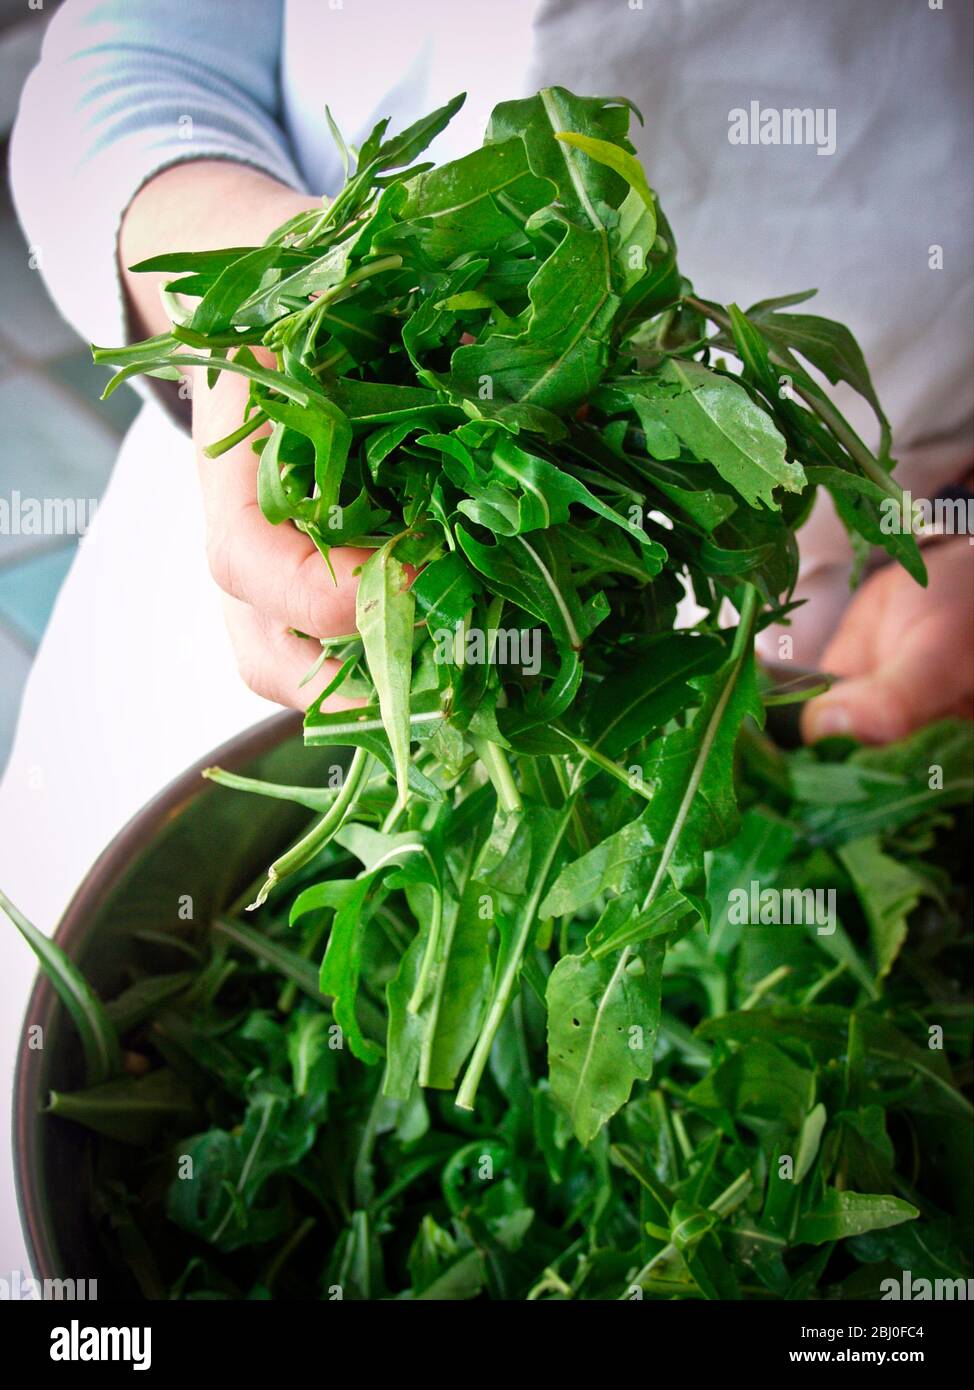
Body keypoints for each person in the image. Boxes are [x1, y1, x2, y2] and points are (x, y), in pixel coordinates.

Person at [1, 0, 971, 1034]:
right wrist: (275, 297)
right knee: (183, 995)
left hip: (862, 586)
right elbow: (122, 66)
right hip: (296, 494)